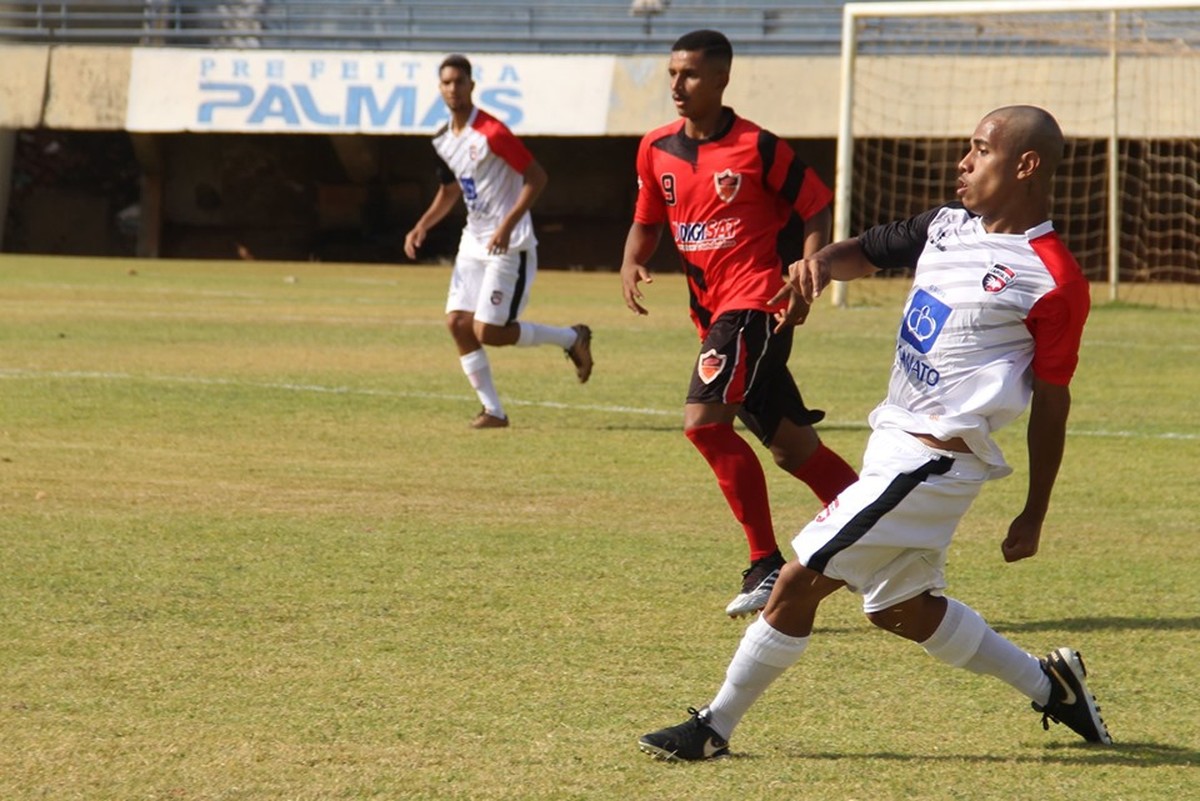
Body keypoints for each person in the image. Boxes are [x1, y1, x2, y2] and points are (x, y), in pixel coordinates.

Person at [637, 105, 1111, 760]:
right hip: (893, 442)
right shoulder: (947, 225)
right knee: (901, 609)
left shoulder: (1052, 277)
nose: (963, 162)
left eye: (979, 150)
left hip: (935, 463)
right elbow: (865, 249)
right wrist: (819, 266)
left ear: (1026, 165)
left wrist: (1035, 510)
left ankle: (713, 726)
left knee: (798, 579)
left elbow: (1052, 405)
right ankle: (1051, 684)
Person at [620, 30, 858, 617]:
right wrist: (632, 258)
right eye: (673, 73)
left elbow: (815, 205)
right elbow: (648, 219)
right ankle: (885, 537)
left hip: (757, 304)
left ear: (722, 79)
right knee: (792, 449)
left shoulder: (758, 147)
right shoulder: (655, 149)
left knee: (703, 423)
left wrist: (808, 272)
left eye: (691, 74)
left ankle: (765, 563)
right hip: (712, 316)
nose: (677, 84)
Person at [405, 54, 593, 429]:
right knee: (458, 323)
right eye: (446, 82)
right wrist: (422, 225)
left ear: (471, 86)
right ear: (439, 88)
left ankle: (572, 338)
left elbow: (537, 177)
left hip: (510, 243)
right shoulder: (444, 139)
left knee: (488, 331)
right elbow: (450, 190)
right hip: (473, 240)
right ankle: (494, 411)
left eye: (459, 81)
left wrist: (507, 225)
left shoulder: (492, 132)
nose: (453, 88)